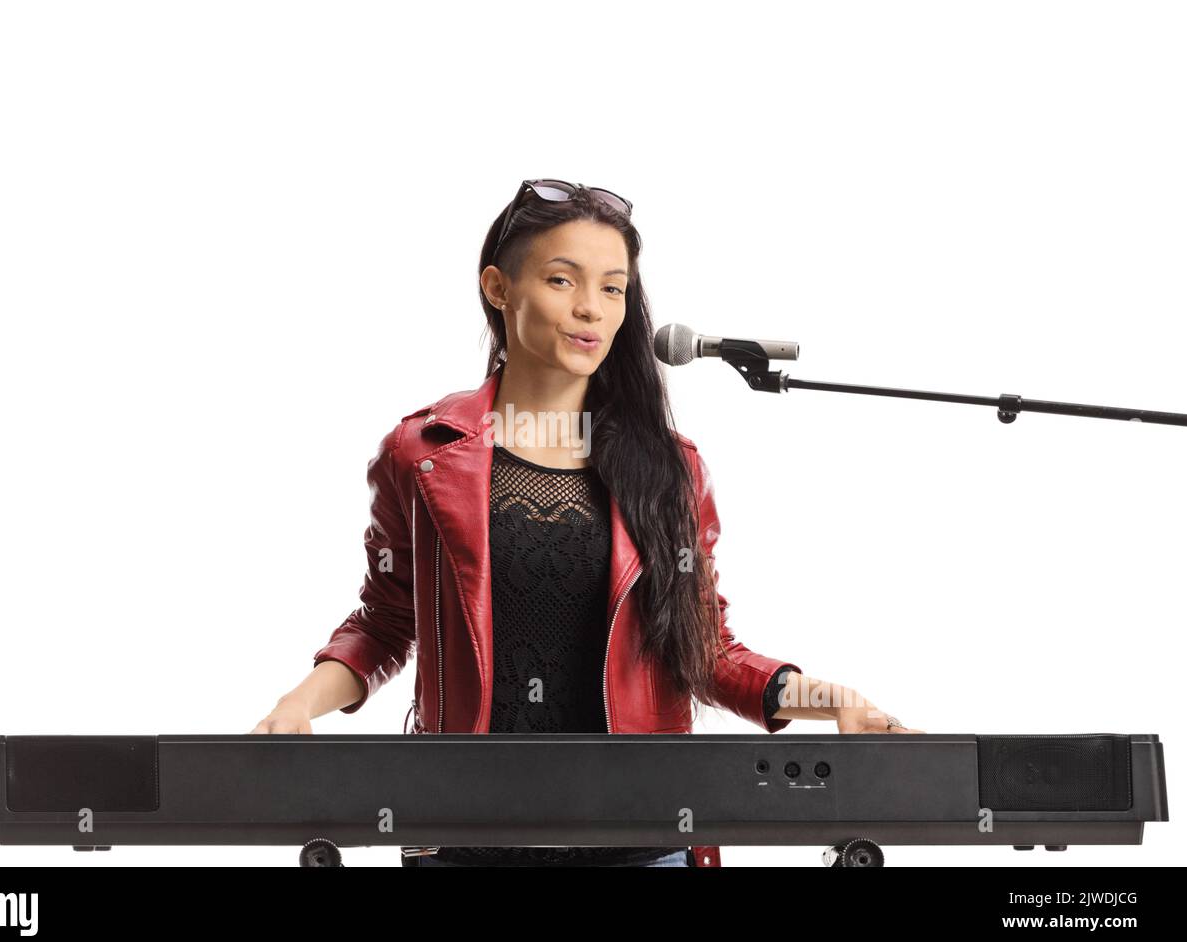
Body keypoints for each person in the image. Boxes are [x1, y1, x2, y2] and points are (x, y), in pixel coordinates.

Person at [254, 179, 924, 867]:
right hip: (466, 835)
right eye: (560, 279)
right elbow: (386, 622)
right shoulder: (421, 454)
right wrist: (298, 704)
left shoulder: (670, 469)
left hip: (644, 838)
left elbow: (708, 652)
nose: (591, 309)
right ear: (497, 287)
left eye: (612, 288)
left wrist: (827, 697)